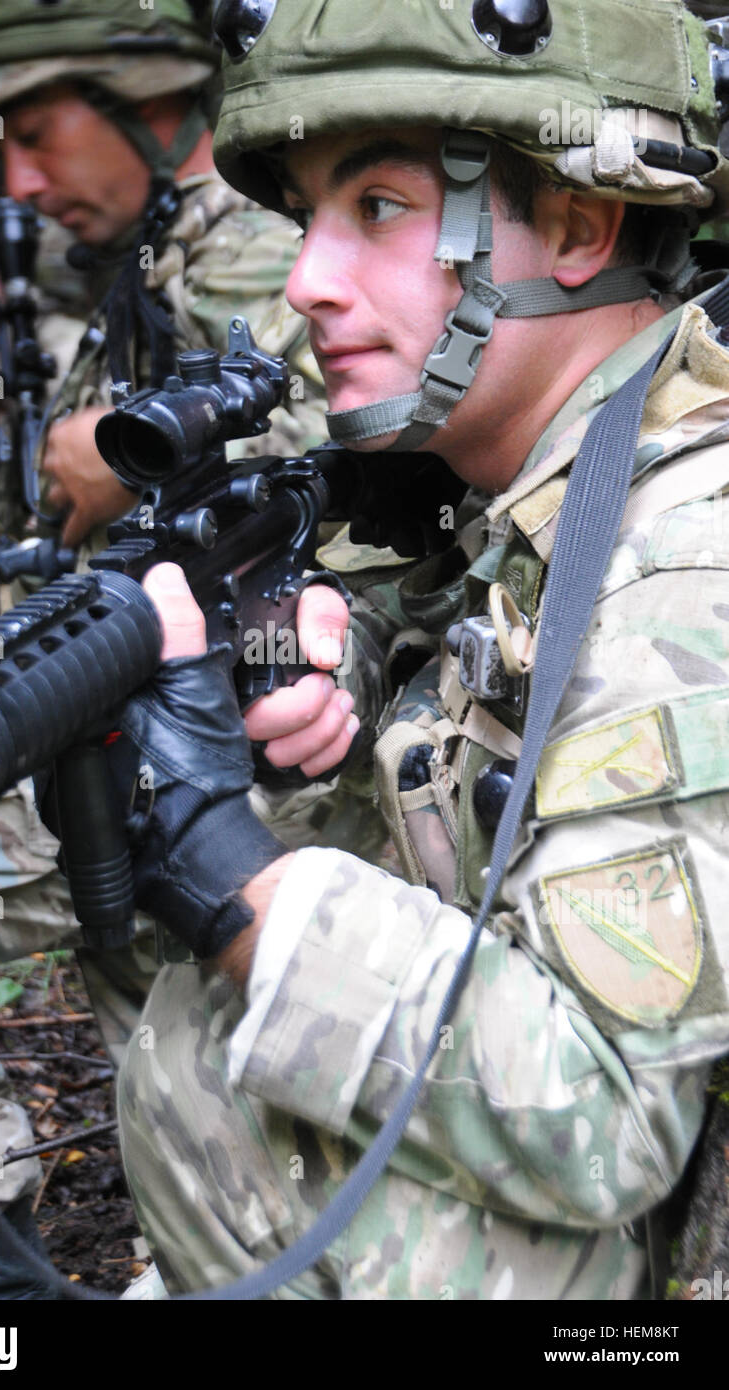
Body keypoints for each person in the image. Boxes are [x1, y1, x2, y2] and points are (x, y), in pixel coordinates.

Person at [113, 0, 729, 1300]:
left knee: (215, 1058)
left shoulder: (689, 559)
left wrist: (240, 882)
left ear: (577, 223)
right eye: (310, 218)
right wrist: (322, 682)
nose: (306, 280)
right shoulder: (519, 484)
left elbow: (606, 1117)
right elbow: (473, 700)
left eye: (380, 207)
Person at [0, 0, 341, 1300]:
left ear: (144, 91)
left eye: (36, 132)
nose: (16, 178)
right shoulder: (158, 251)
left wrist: (129, 458)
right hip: (128, 688)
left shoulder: (260, 259)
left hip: (239, 740)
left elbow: (328, 535)